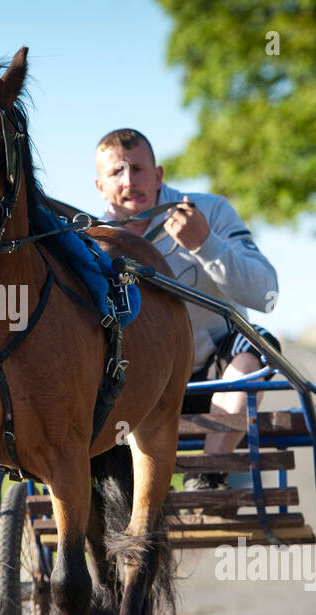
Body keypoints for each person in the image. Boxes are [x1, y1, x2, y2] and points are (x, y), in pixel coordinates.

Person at [94, 128, 280, 490]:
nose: (129, 181)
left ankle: (208, 476)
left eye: (138, 168)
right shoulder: (93, 241)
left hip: (215, 375)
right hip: (140, 382)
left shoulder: (209, 211)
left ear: (159, 174)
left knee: (255, 344)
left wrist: (205, 245)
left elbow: (267, 293)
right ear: (100, 186)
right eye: (117, 172)